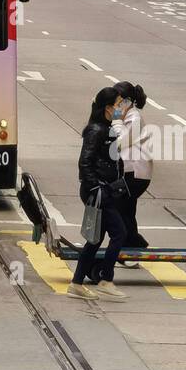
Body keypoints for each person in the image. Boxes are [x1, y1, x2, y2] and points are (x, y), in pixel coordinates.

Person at [68, 87, 127, 301]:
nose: (122, 108)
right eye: (119, 104)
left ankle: (76, 283)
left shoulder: (107, 128)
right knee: (119, 233)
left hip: (105, 189)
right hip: (98, 191)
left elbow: (112, 158)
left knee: (94, 240)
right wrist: (97, 187)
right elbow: (85, 162)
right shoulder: (95, 130)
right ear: (108, 107)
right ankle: (106, 279)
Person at [112, 81, 150, 257]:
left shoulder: (134, 118)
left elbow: (122, 142)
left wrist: (116, 121)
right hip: (131, 171)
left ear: (127, 101)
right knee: (126, 209)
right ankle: (132, 245)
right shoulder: (129, 116)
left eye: (118, 101)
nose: (115, 105)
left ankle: (134, 243)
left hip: (136, 173)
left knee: (122, 209)